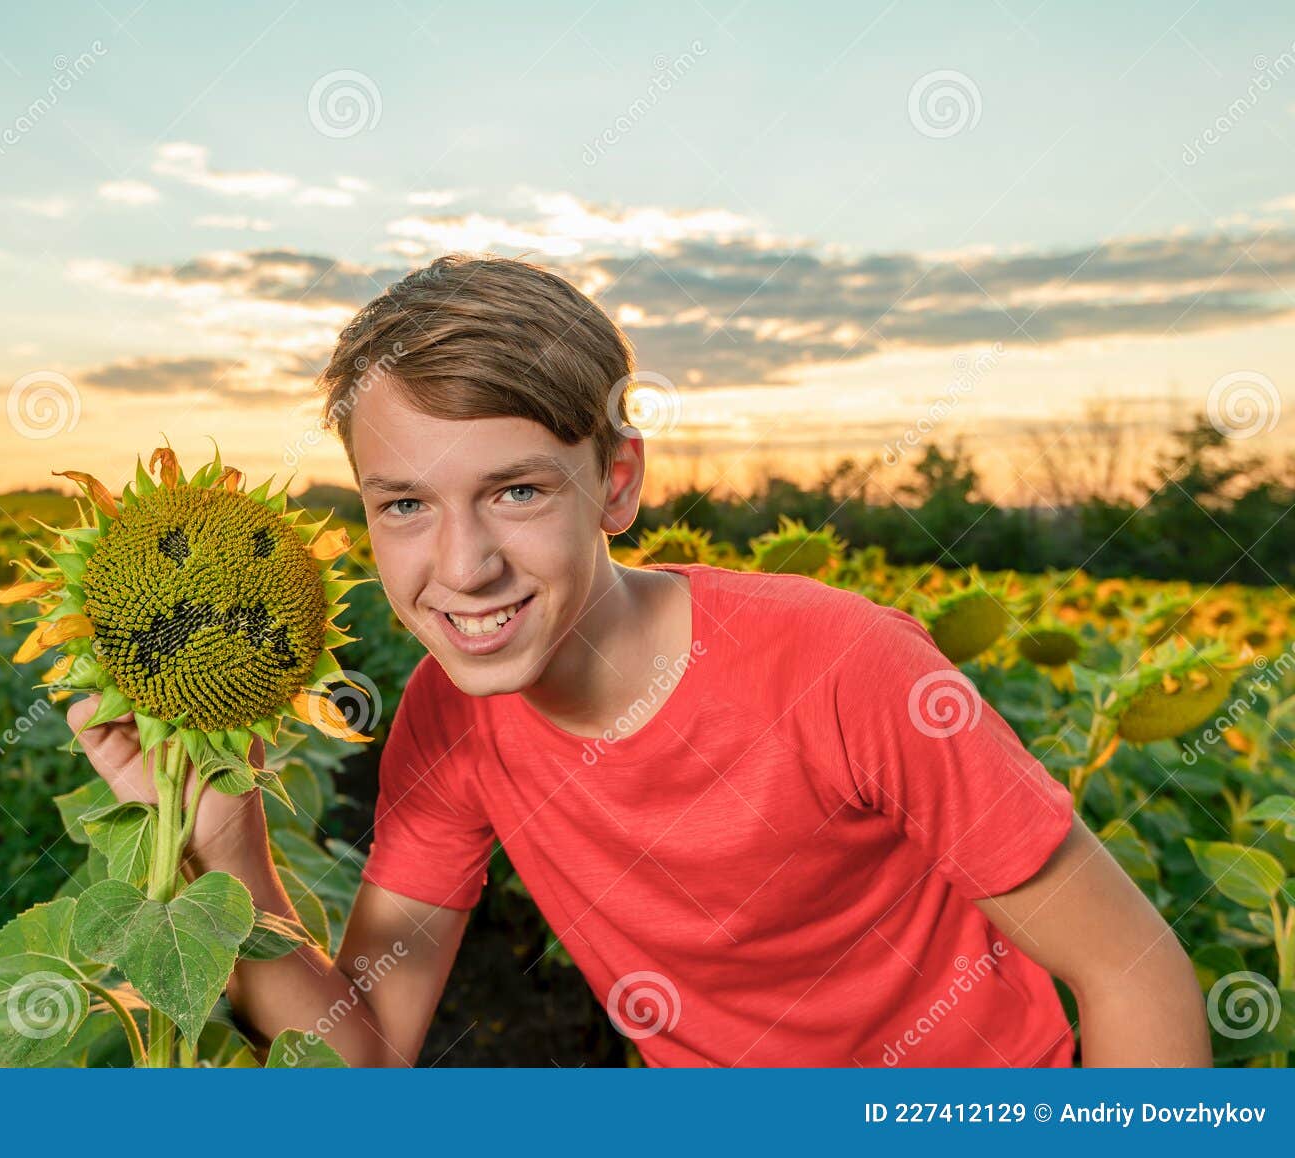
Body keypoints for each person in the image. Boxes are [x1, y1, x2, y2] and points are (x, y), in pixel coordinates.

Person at [68, 254, 1211, 1068]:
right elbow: (360, 1057)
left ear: (615, 483)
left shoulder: (839, 663)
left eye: (515, 491)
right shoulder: (446, 720)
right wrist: (229, 851)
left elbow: (1133, 972)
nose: (460, 566)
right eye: (405, 504)